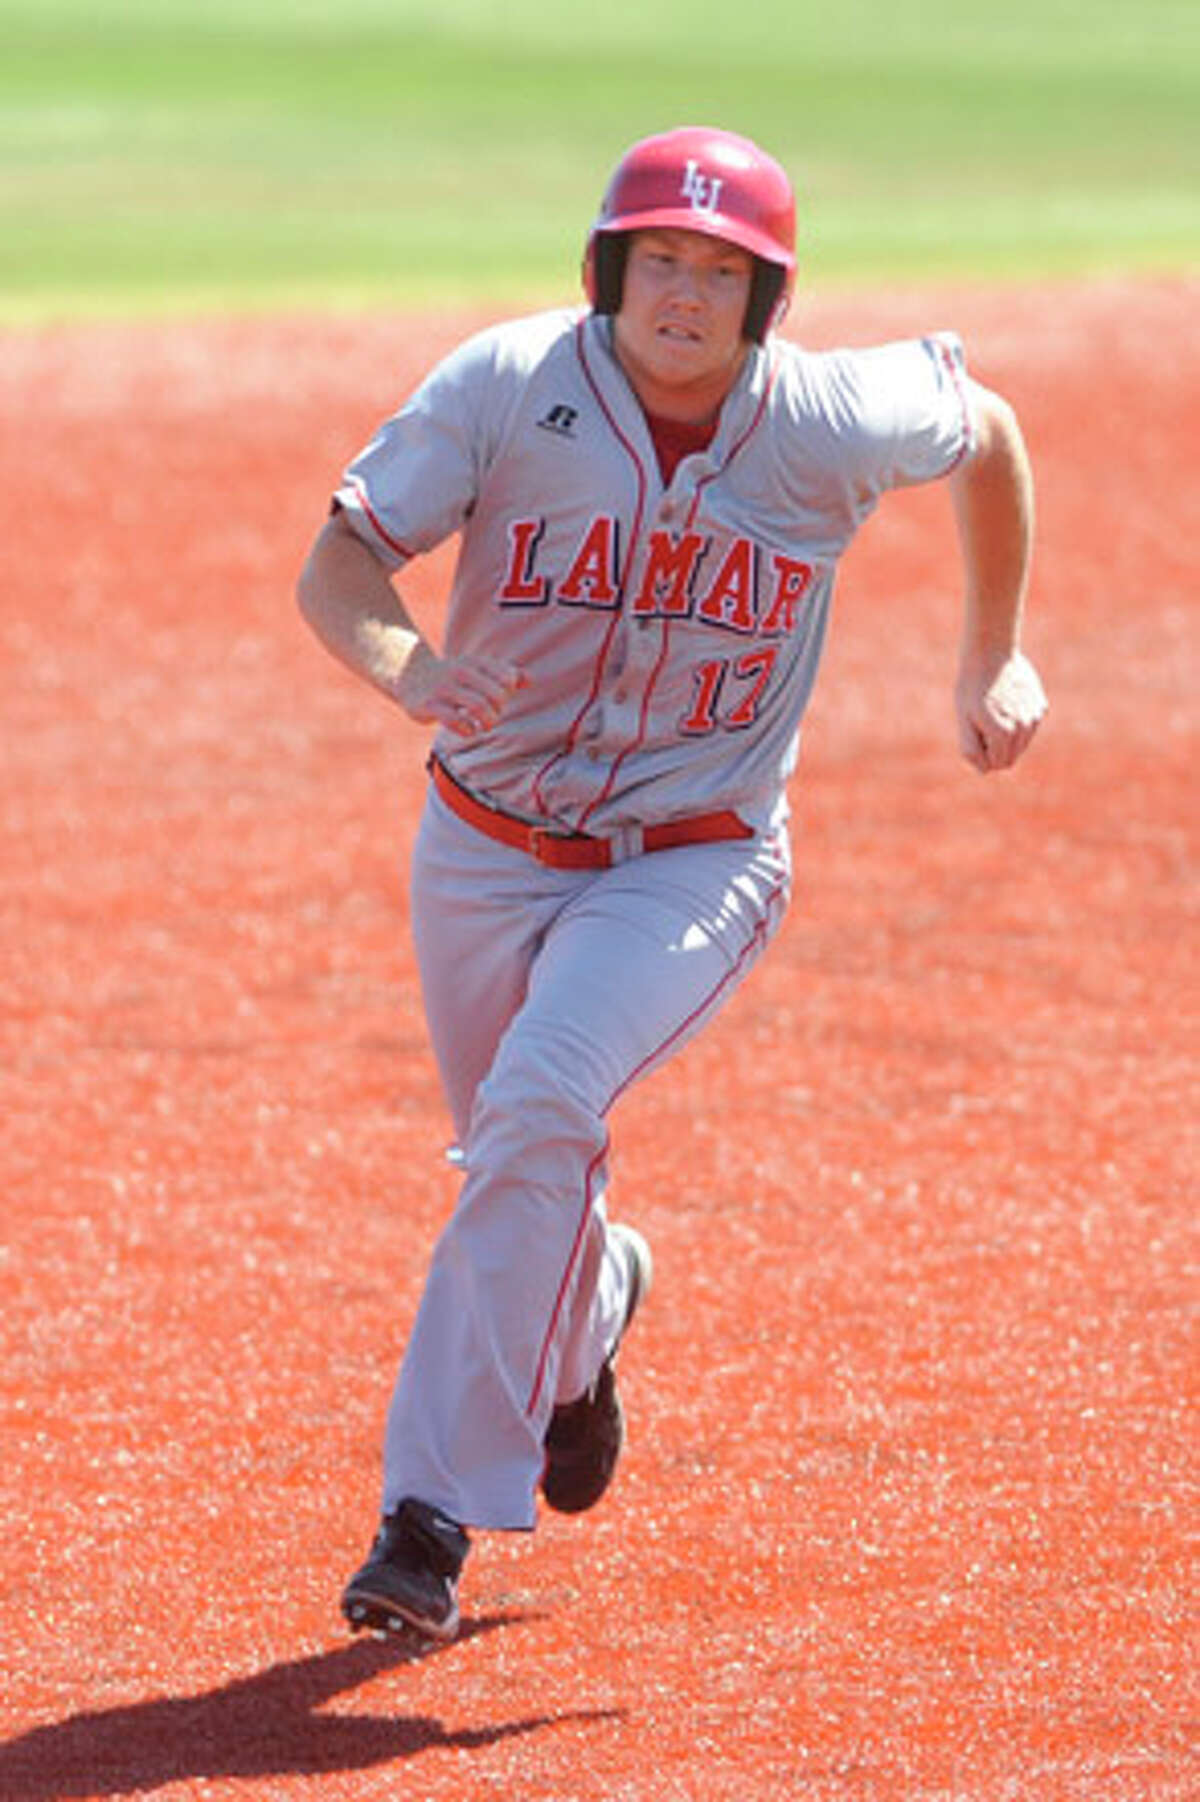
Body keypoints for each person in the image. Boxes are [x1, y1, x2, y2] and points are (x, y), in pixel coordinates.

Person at [296, 125, 1047, 1643]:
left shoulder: (831, 415)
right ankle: (591, 1311)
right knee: (518, 1152)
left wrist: (994, 650)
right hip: (481, 848)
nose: (685, 296)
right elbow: (340, 568)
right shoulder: (511, 386)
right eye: (660, 262)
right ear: (608, 270)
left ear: (767, 298)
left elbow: (995, 430)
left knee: (541, 1101)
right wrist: (414, 670)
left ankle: (427, 1519)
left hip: (694, 859)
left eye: (721, 272)